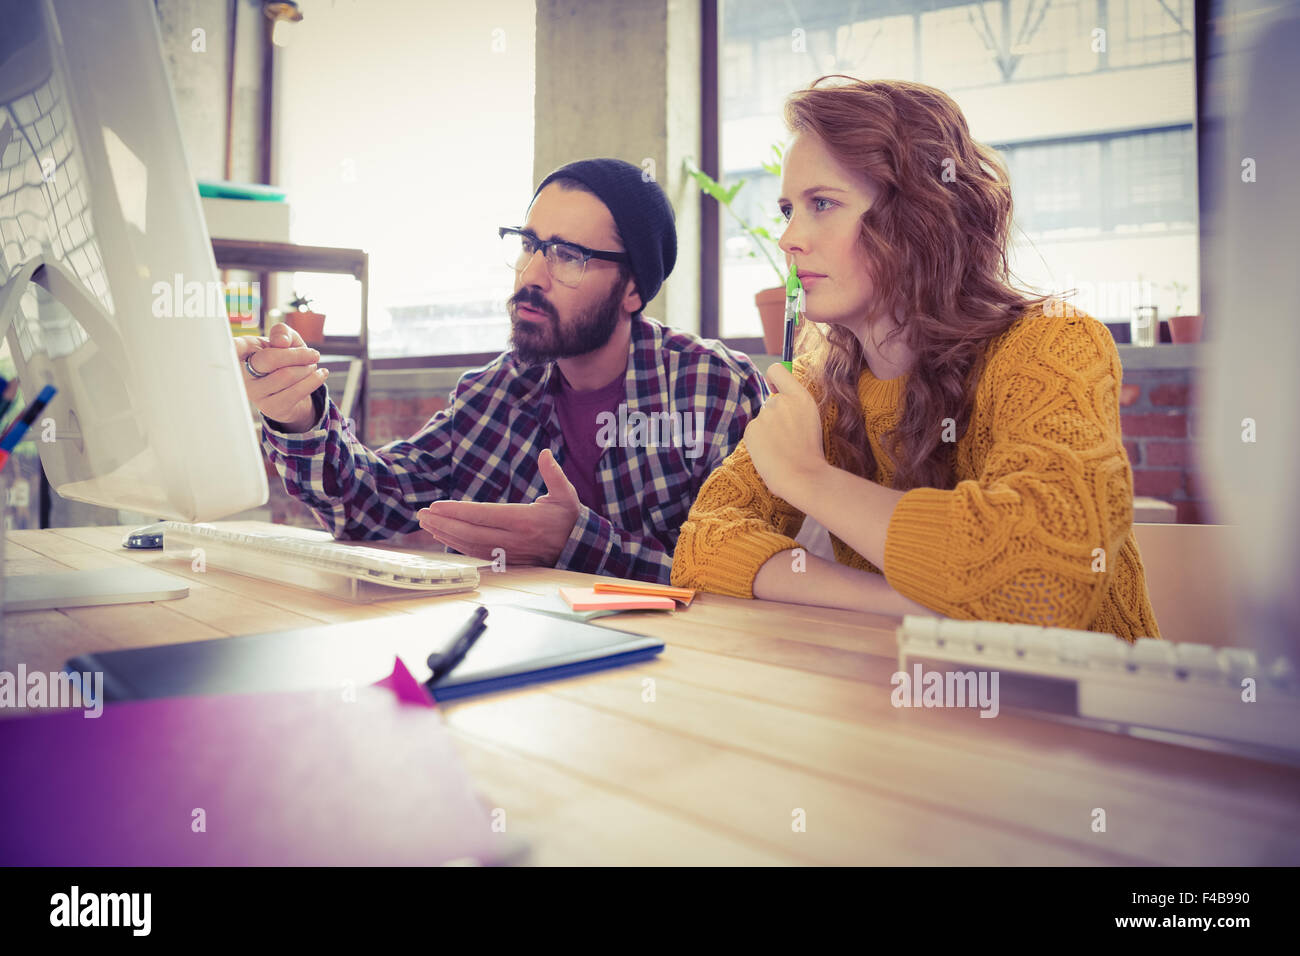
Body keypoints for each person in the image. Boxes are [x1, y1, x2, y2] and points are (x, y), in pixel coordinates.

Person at [671, 77, 1162, 641]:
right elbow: (704, 546)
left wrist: (807, 477)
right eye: (788, 209)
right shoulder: (821, 386)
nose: (788, 238)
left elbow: (1043, 578)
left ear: (920, 217)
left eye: (822, 203)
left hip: (1090, 714)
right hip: (906, 706)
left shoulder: (1054, 346)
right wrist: (918, 609)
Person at [239, 158, 767, 583]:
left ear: (633, 289)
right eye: (530, 244)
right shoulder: (496, 391)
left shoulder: (717, 390)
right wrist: (299, 418)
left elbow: (747, 579)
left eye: (568, 255)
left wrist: (574, 544)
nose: (531, 274)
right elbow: (371, 505)